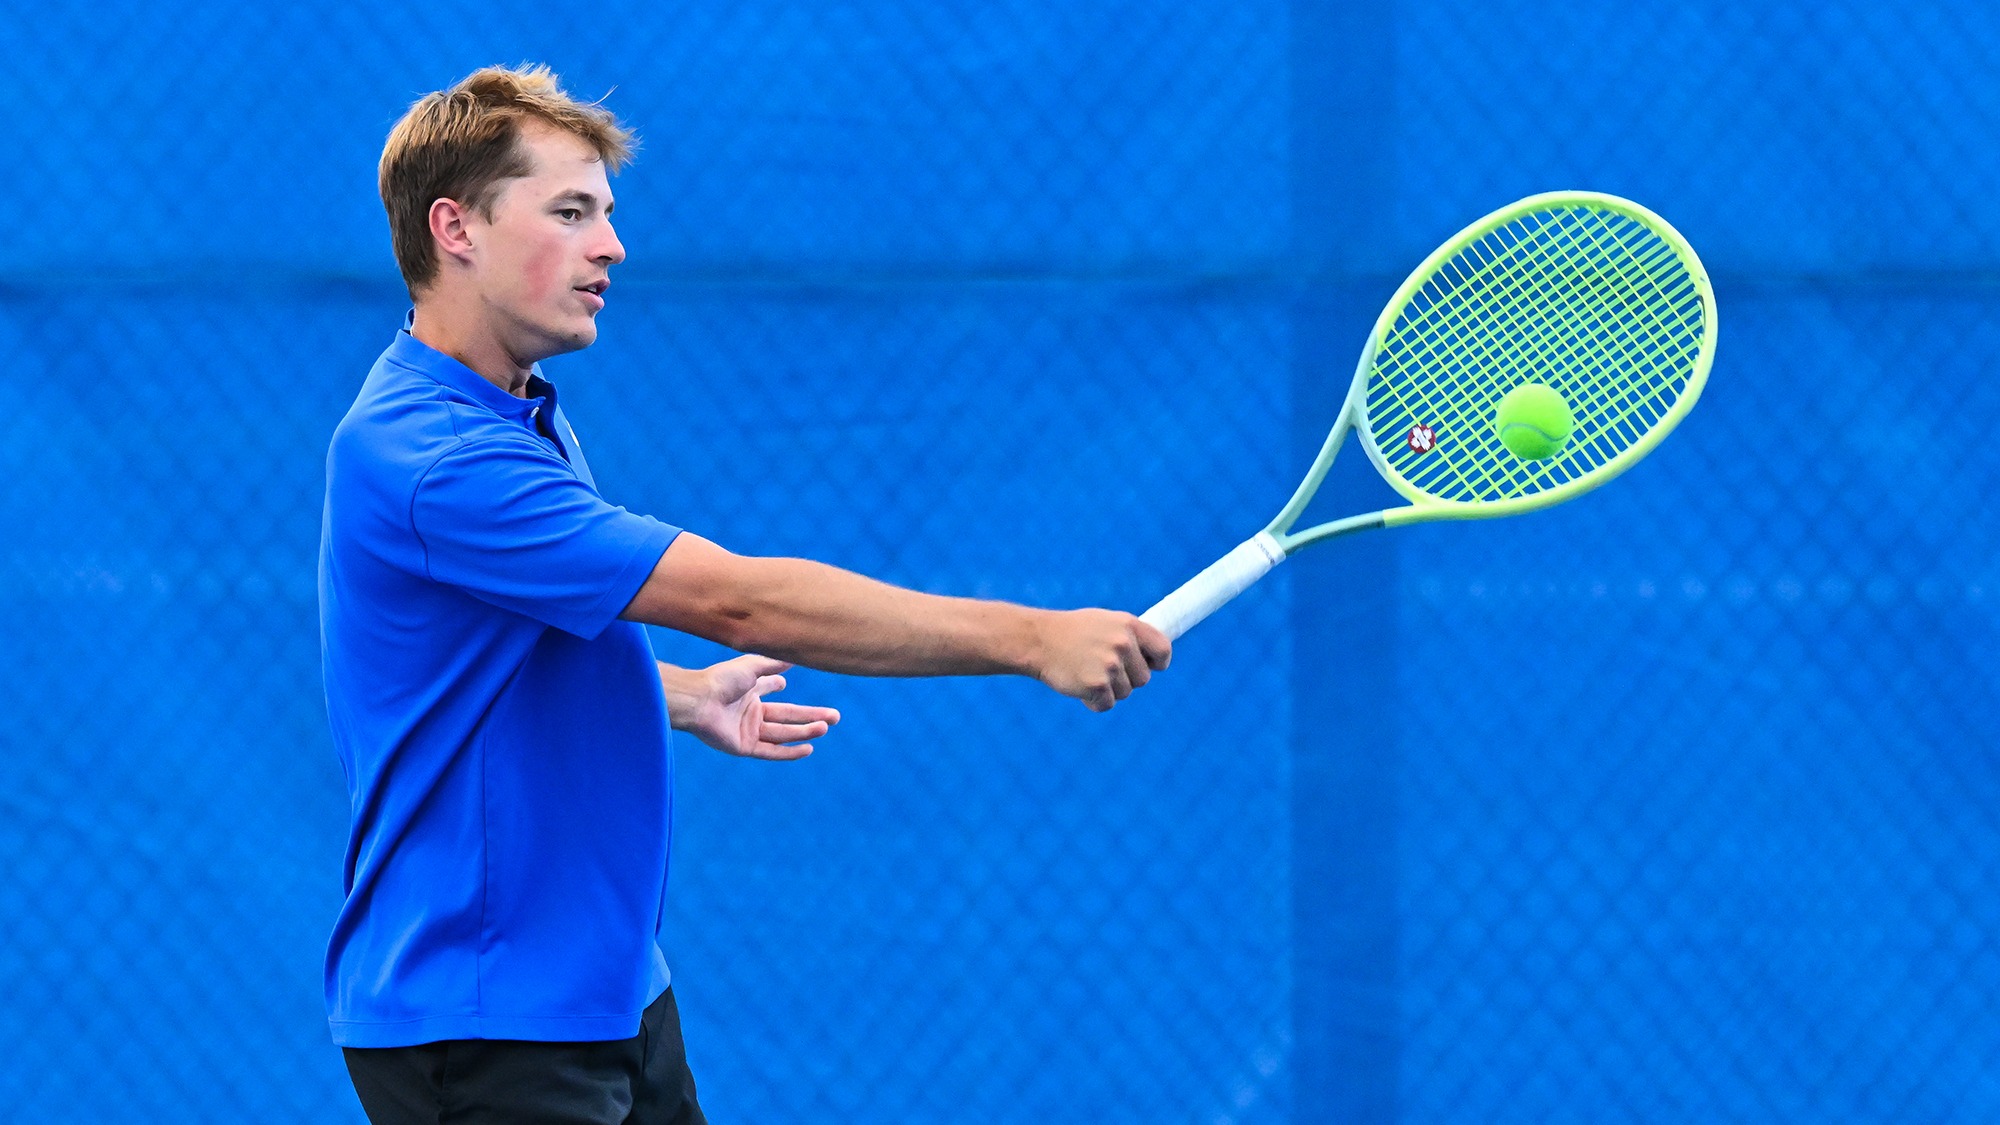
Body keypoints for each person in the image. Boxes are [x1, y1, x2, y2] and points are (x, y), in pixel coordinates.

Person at [320, 64, 1171, 1124]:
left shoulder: (512, 408)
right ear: (456, 228)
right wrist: (1030, 637)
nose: (611, 247)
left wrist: (668, 694)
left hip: (610, 987)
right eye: (571, 212)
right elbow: (739, 601)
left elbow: (484, 654)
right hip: (488, 1022)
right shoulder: (436, 457)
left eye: (608, 214)